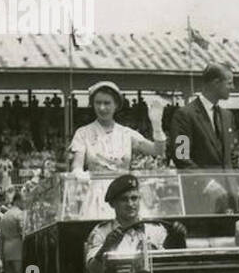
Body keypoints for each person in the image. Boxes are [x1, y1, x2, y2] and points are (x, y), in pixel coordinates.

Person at [68, 81, 168, 218]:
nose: (102, 108)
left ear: (116, 105)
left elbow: (157, 150)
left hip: (125, 194)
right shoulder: (83, 133)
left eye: (107, 103)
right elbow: (77, 166)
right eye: (98, 103)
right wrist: (78, 173)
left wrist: (156, 125)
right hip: (98, 197)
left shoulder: (126, 133)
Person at [84, 174, 186, 273]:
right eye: (124, 199)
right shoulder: (101, 232)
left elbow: (169, 267)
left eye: (134, 198)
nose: (130, 204)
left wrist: (177, 238)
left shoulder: (156, 229)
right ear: (112, 204)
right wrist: (107, 247)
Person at [168, 64, 235, 170]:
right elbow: (181, 156)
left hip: (229, 185)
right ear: (216, 83)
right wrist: (207, 184)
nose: (233, 87)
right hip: (200, 185)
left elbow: (230, 156)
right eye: (229, 83)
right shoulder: (185, 115)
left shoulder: (228, 116)